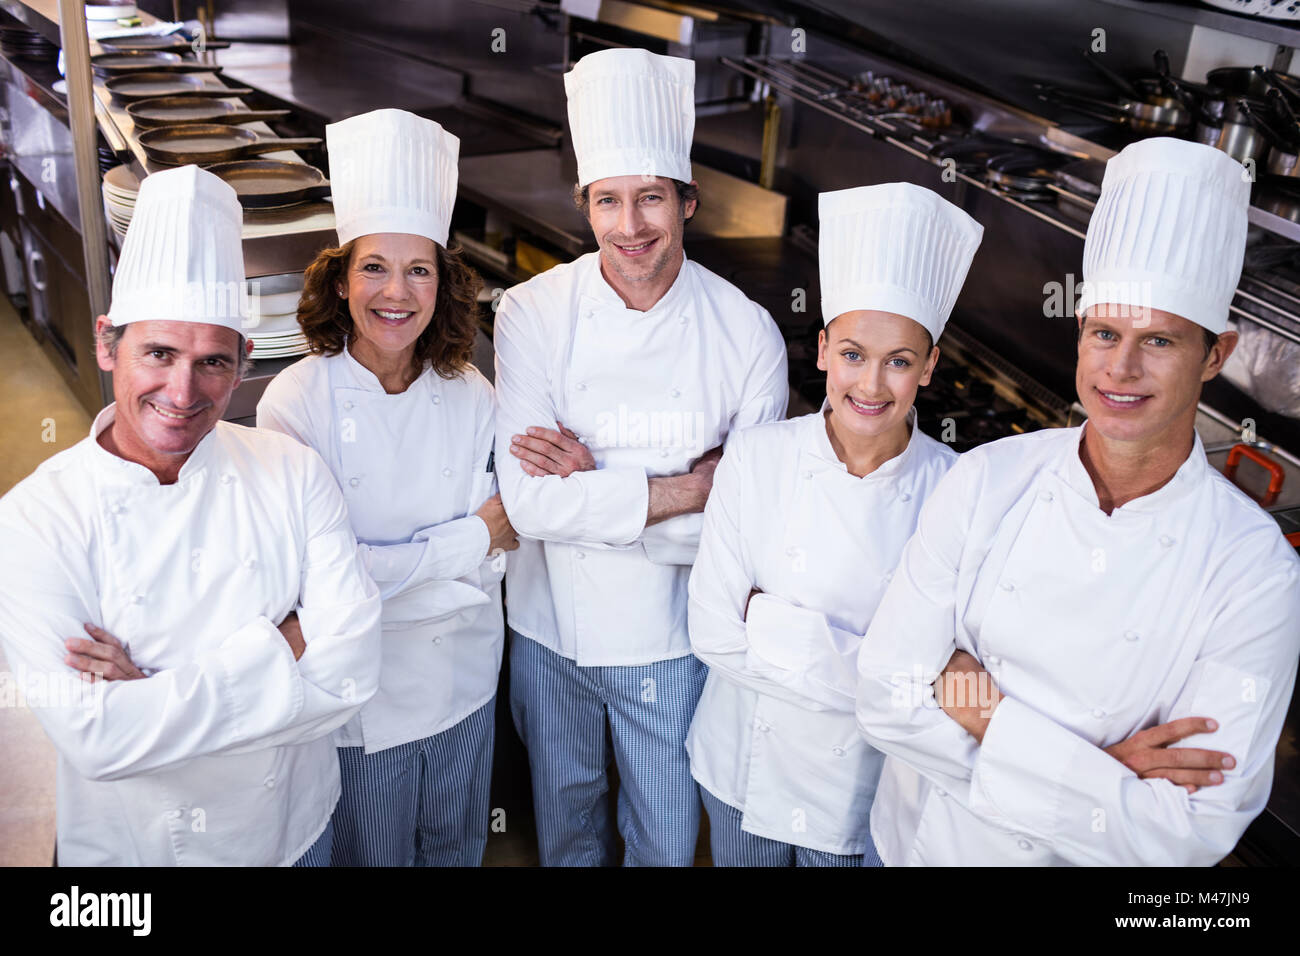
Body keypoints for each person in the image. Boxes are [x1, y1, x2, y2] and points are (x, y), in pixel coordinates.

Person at [855, 137, 1300, 866]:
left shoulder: (1255, 572)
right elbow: (883, 694)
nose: (1121, 368)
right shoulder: (987, 478)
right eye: (1104, 333)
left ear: (1215, 355)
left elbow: (1187, 833)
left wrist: (976, 707)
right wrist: (1100, 775)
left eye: (1159, 341)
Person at [0, 165, 382, 866]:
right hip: (136, 854)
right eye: (159, 353)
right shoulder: (32, 522)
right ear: (107, 344)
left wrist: (150, 695)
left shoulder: (292, 470)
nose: (182, 393)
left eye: (211, 362)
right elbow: (98, 741)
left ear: (242, 364)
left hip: (296, 830)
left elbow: (352, 673)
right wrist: (286, 642)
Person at [493, 47, 789, 866]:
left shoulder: (746, 332)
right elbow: (530, 508)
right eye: (609, 201)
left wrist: (594, 488)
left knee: (665, 838)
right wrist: (690, 487)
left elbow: (745, 531)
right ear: (586, 207)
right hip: (548, 630)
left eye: (651, 198)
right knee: (564, 829)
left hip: (673, 639)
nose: (630, 226)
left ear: (687, 201)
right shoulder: (531, 312)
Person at [686, 183, 982, 866]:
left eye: (898, 361)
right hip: (741, 771)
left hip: (862, 794)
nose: (870, 385)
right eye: (852, 354)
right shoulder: (756, 456)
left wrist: (771, 623)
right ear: (821, 350)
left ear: (929, 367)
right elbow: (713, 634)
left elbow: (945, 680)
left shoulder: (960, 490)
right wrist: (884, 667)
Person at [257, 109, 515, 867]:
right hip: (363, 701)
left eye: (418, 270)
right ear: (340, 280)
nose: (396, 292)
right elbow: (323, 586)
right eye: (374, 267)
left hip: (467, 682)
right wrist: (467, 541)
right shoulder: (295, 402)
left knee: (458, 849)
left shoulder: (472, 391)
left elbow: (498, 562)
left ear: (443, 283)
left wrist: (389, 578)